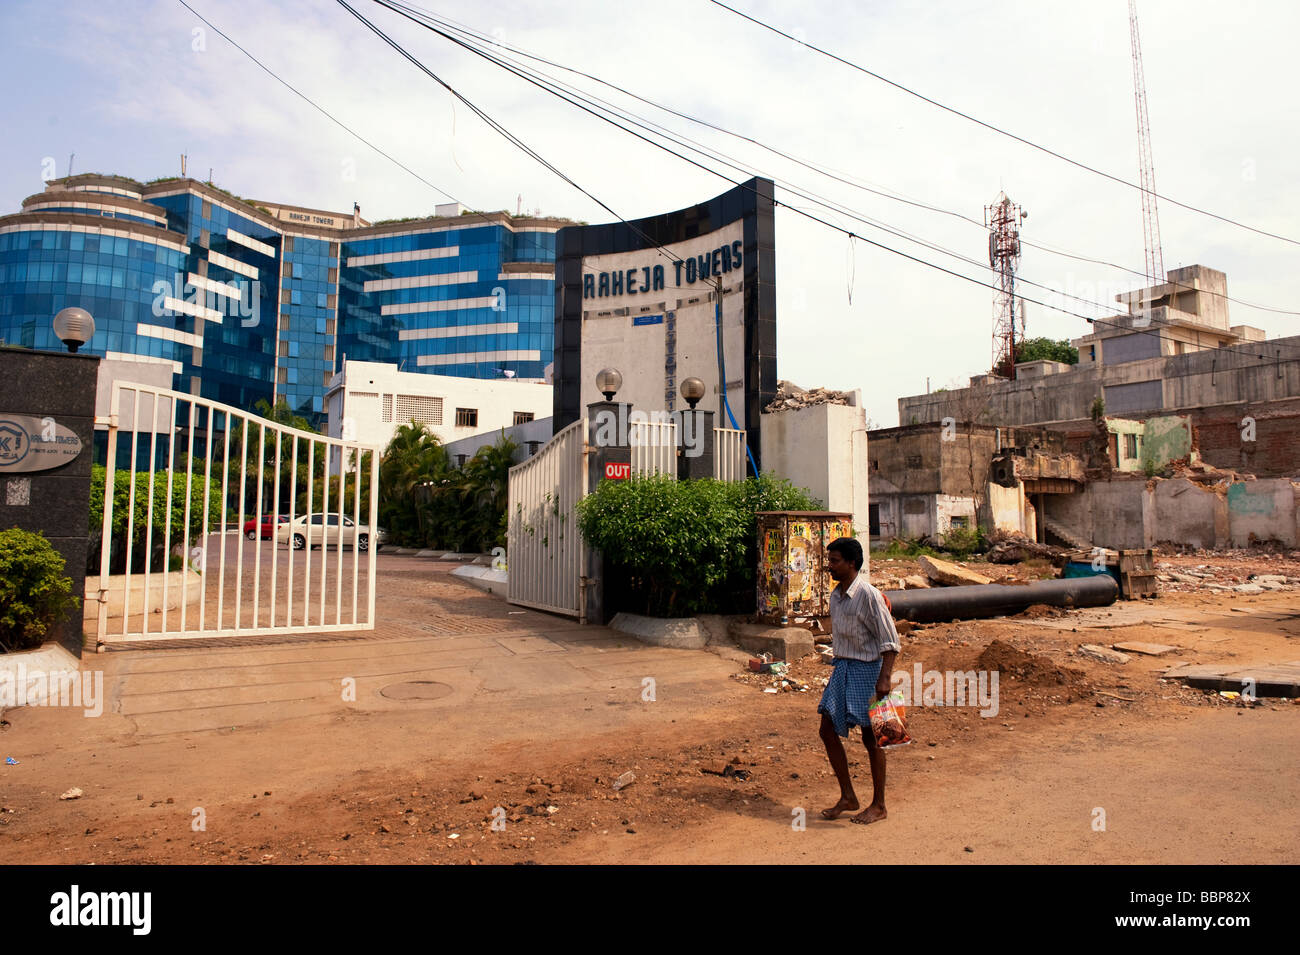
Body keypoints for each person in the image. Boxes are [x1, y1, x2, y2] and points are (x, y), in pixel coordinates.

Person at [817, 536, 901, 825]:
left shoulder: (869, 595)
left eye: (835, 561)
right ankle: (848, 796)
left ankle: (879, 805)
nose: (829, 566)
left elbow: (891, 641)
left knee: (874, 738)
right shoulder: (836, 596)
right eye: (829, 560)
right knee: (826, 730)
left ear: (851, 563)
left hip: (870, 671)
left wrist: (885, 679)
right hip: (843, 668)